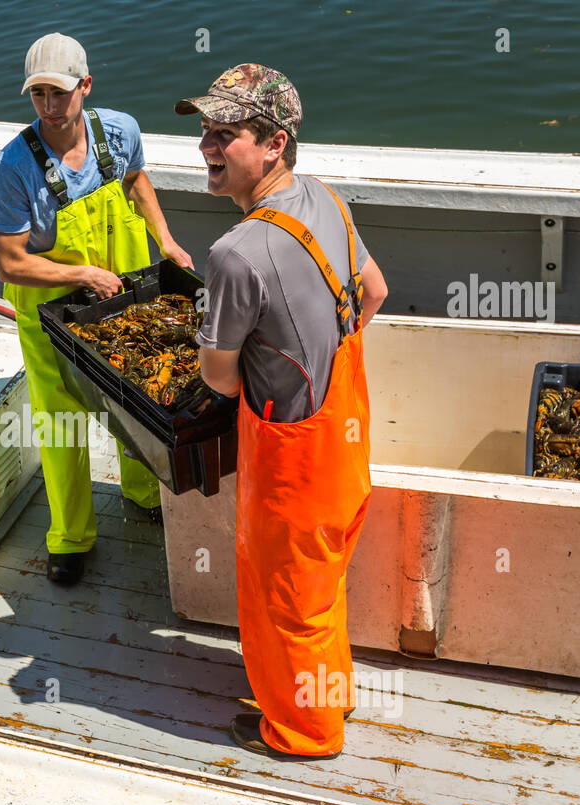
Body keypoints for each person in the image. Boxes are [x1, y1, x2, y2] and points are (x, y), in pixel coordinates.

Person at [176, 64, 388, 758]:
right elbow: (374, 292)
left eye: (226, 134)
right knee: (320, 587)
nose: (208, 146)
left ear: (274, 143)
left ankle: (304, 731)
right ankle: (333, 693)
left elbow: (222, 380)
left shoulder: (236, 253)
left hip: (292, 462)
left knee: (285, 601)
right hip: (345, 438)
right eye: (206, 131)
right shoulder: (325, 197)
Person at [0, 33, 192, 586]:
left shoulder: (120, 132)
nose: (50, 108)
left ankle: (143, 490)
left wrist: (167, 240)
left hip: (122, 297)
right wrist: (80, 273)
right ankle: (71, 537)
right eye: (39, 97)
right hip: (49, 312)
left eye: (60, 94)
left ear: (86, 85)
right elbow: (9, 262)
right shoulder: (14, 167)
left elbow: (136, 181)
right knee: (60, 423)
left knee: (138, 398)